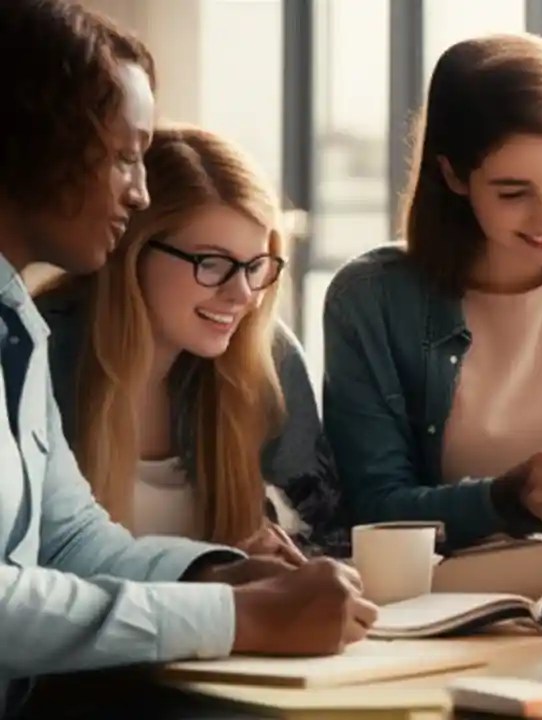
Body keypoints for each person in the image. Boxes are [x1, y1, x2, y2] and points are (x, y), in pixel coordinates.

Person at [0, 2, 373, 714]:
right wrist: (243, 616)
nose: (136, 191)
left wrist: (228, 575)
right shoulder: (52, 331)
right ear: (36, 136)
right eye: (123, 156)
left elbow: (73, 537)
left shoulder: (15, 323)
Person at [323, 32, 542, 551]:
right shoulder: (370, 300)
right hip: (435, 601)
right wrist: (508, 495)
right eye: (513, 192)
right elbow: (373, 510)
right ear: (453, 176)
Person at [36, 124, 349, 561]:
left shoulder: (266, 357)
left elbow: (329, 534)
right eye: (213, 262)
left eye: (256, 265)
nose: (243, 295)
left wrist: (279, 552)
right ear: (134, 250)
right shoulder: (37, 356)